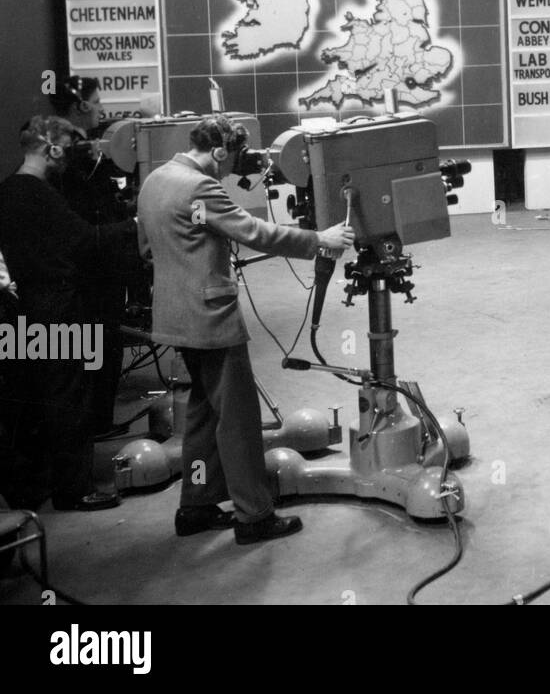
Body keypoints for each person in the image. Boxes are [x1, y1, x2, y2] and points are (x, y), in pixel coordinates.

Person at [136, 115, 354, 544]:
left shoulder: (156, 179)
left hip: (175, 317)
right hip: (210, 317)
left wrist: (198, 251)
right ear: (219, 151)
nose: (233, 169)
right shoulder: (200, 186)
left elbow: (148, 247)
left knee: (201, 413)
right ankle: (254, 515)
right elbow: (253, 231)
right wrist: (319, 239)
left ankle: (196, 504)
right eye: (233, 159)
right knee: (237, 419)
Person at [0, 117, 137, 511]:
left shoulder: (10, 189)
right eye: (69, 148)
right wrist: (136, 225)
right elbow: (84, 240)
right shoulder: (36, 193)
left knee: (44, 396)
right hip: (58, 307)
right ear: (51, 149)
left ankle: (40, 484)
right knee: (70, 398)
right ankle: (73, 490)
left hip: (29, 304)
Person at [48, 75, 141, 437]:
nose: (102, 108)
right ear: (81, 105)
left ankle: (97, 418)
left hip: (91, 259)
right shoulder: (76, 150)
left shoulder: (72, 146)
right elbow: (91, 205)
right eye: (97, 101)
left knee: (100, 338)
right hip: (96, 263)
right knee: (103, 337)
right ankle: (98, 421)